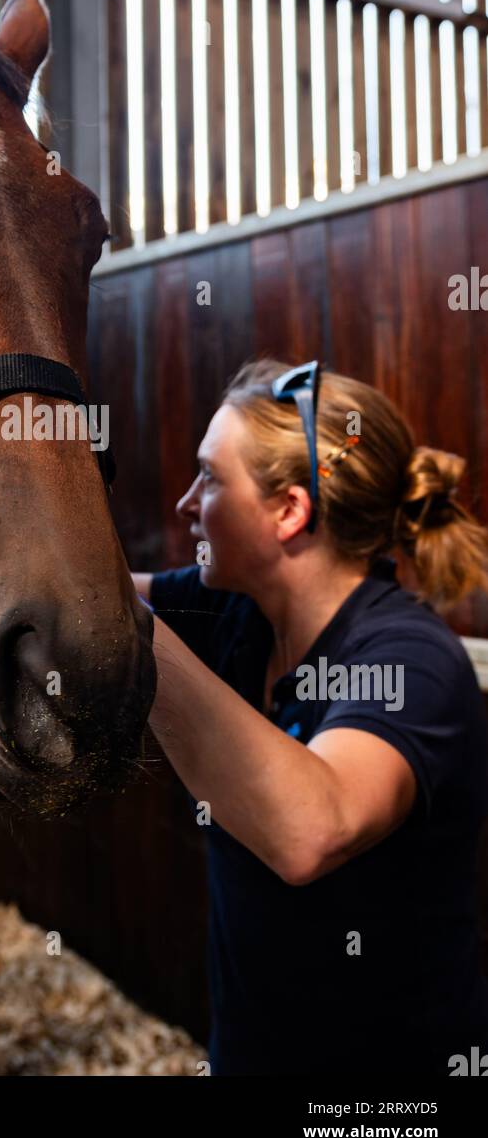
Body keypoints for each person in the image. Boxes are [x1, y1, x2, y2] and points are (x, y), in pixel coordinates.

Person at [133, 358, 488, 1076]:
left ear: (290, 512)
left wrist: (127, 636)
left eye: (210, 477)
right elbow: (84, 589)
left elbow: (307, 830)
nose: (185, 502)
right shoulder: (239, 612)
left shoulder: (411, 660)